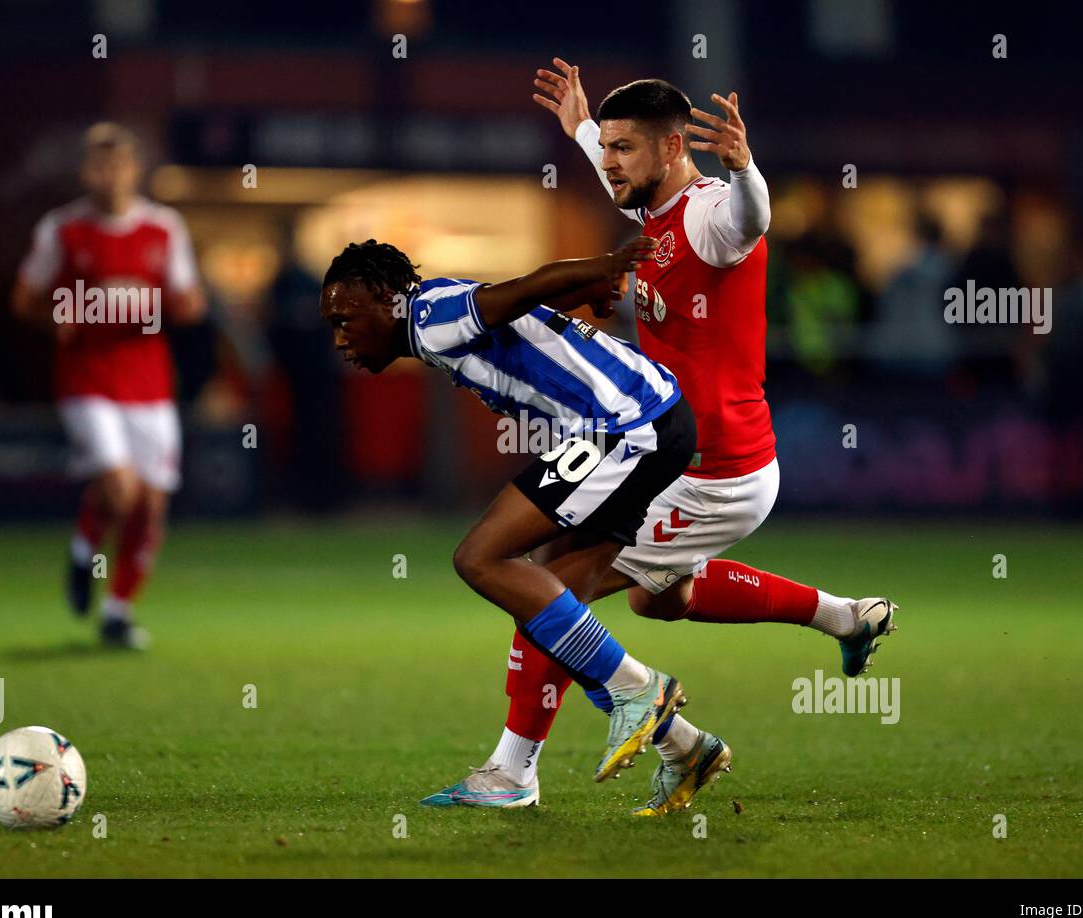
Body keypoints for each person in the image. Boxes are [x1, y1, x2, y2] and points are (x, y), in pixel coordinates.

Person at [421, 64, 897, 815]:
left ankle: (516, 770)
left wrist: (746, 170)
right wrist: (580, 124)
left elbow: (753, 218)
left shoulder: (710, 213)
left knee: (554, 585)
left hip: (716, 470)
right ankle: (840, 620)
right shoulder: (652, 206)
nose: (608, 162)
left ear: (675, 148)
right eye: (605, 147)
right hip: (681, 459)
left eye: (622, 149)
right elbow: (617, 160)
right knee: (656, 600)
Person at [321, 236, 717, 787]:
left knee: (480, 558)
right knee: (552, 601)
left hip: (627, 425)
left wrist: (599, 266)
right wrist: (593, 285)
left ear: (387, 300)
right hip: (651, 421)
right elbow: (525, 306)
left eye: (345, 319)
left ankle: (638, 690)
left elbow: (527, 286)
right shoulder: (433, 315)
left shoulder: (432, 318)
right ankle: (682, 745)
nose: (339, 339)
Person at [11, 123, 206, 649]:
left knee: (151, 503)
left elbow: (191, 303)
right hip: (87, 380)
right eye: (98, 164)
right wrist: (59, 314)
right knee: (119, 486)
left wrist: (149, 304)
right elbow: (25, 297)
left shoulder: (163, 228)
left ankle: (117, 611)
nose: (108, 174)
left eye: (117, 163)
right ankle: (84, 549)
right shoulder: (64, 230)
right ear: (84, 171)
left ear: (135, 169)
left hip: (149, 383)